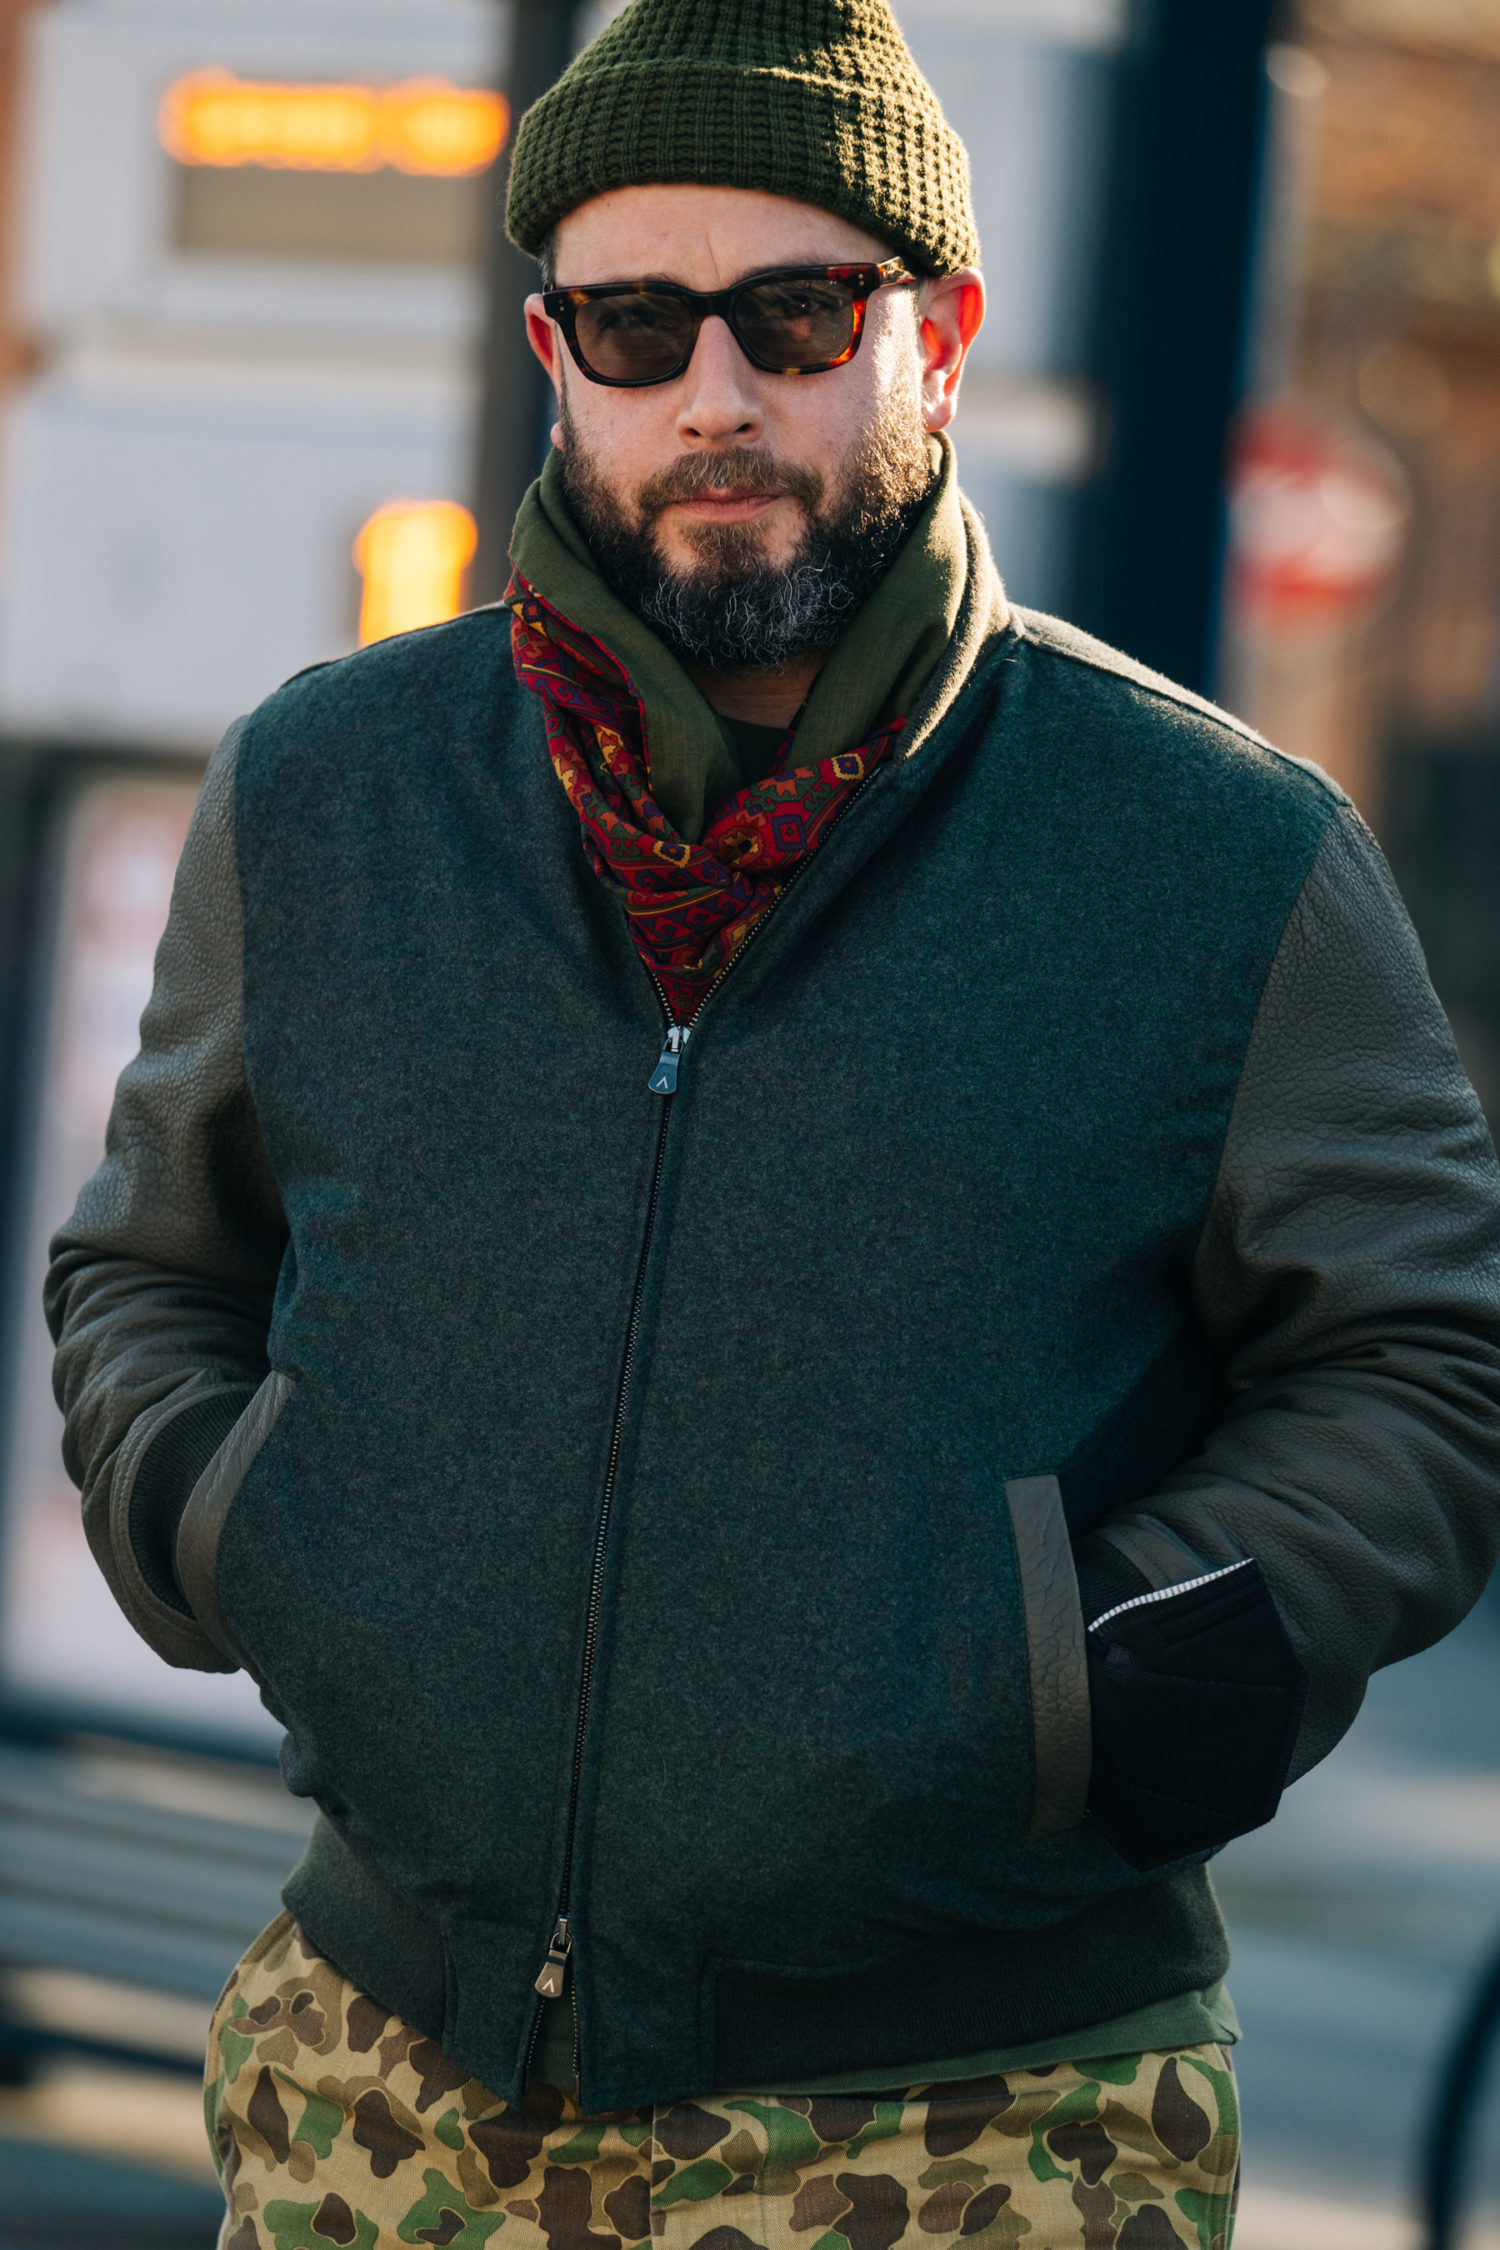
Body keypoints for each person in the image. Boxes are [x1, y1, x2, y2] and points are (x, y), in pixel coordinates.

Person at [46, 1, 1500, 2244]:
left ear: (939, 333)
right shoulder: (329, 791)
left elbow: (1424, 1365)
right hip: (377, 2090)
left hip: (986, 2128)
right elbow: (151, 1261)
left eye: (797, 313)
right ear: (558, 356)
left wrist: (1094, 1684)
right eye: (637, 323)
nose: (715, 393)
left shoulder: (1218, 853)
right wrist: (243, 1528)